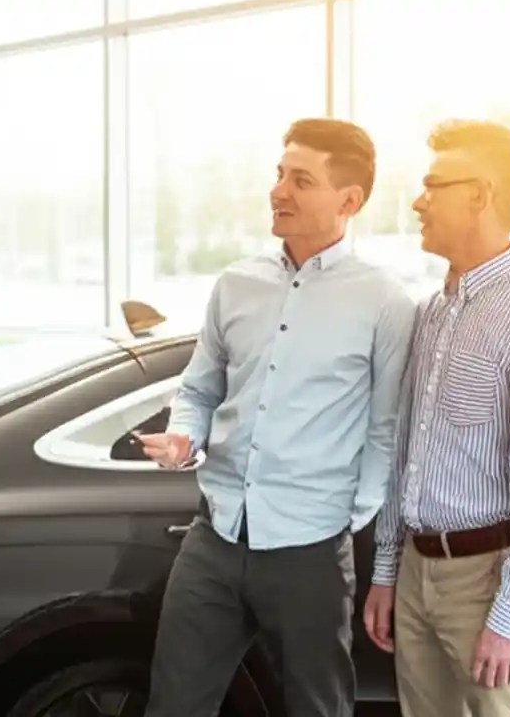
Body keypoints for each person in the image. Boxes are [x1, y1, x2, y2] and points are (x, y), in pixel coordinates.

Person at [136, 117, 418, 717]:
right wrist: (186, 436)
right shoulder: (236, 284)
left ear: (349, 201)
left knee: (318, 709)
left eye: (302, 180)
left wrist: (348, 517)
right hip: (214, 537)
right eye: (280, 173)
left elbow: (387, 428)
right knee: (172, 706)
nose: (279, 190)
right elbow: (200, 387)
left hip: (309, 550)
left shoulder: (385, 301)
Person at [361, 118, 510, 717]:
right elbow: (404, 456)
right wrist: (389, 573)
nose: (418, 200)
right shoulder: (433, 312)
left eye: (433, 185)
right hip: (417, 574)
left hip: (486, 585)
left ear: (480, 196)